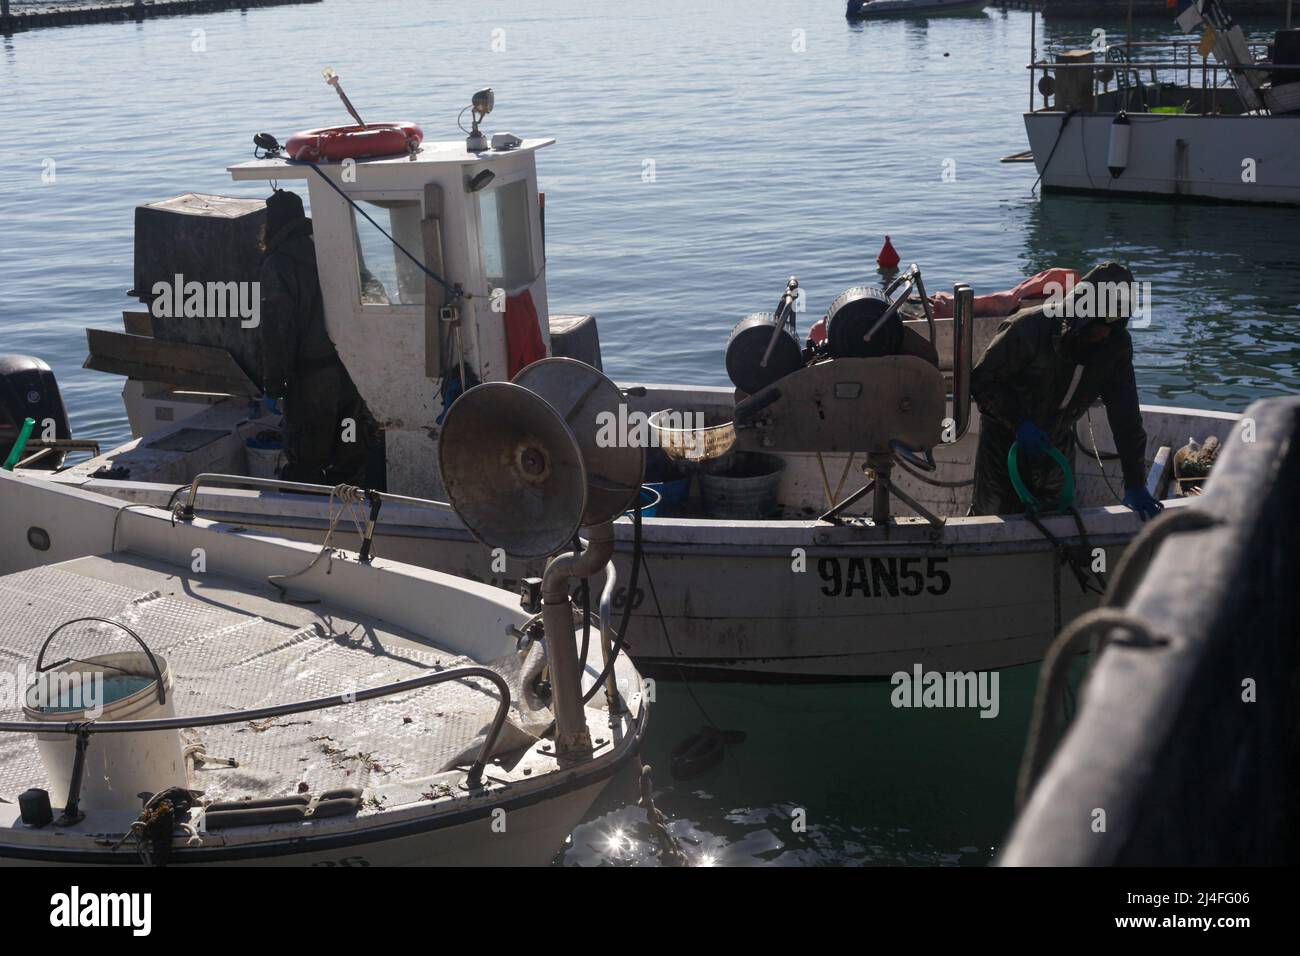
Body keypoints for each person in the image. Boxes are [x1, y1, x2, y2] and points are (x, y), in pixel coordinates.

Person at [968, 261, 1163, 520]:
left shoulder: (1115, 347)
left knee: (1057, 525)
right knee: (992, 523)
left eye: (1117, 322)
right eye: (1101, 321)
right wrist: (1019, 423)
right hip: (1004, 448)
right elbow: (982, 380)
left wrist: (1135, 483)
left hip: (1056, 445)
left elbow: (1126, 419)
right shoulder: (1028, 328)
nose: (1106, 332)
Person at [258, 188, 376, 485]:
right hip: (350, 370)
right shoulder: (330, 248)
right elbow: (369, 288)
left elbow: (278, 330)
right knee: (349, 439)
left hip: (312, 380)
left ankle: (305, 518)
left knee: (306, 455)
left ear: (271, 225)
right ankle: (354, 506)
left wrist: (274, 385)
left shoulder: (279, 263)